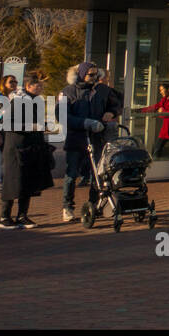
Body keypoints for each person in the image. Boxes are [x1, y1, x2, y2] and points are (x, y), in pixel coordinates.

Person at [0, 71, 54, 228]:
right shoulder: (17, 102)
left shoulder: (35, 101)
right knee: (13, 181)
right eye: (39, 85)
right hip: (16, 148)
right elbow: (6, 124)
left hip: (31, 147)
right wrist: (32, 127)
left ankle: (22, 216)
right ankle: (4, 217)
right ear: (29, 86)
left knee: (28, 182)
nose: (41, 88)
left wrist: (44, 126)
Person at [61, 61, 113, 222]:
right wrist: (84, 123)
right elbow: (62, 115)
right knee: (71, 174)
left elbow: (115, 104)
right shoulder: (68, 92)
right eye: (91, 74)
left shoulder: (101, 91)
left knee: (96, 174)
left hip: (97, 138)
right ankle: (67, 207)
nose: (94, 78)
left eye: (96, 74)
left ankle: (93, 205)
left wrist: (111, 112)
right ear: (82, 75)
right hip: (76, 139)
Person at [138, 82, 169, 159]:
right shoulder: (164, 100)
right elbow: (155, 107)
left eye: (162, 90)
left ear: (168, 90)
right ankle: (154, 165)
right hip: (166, 129)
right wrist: (140, 110)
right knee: (157, 149)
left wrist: (161, 111)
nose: (160, 92)